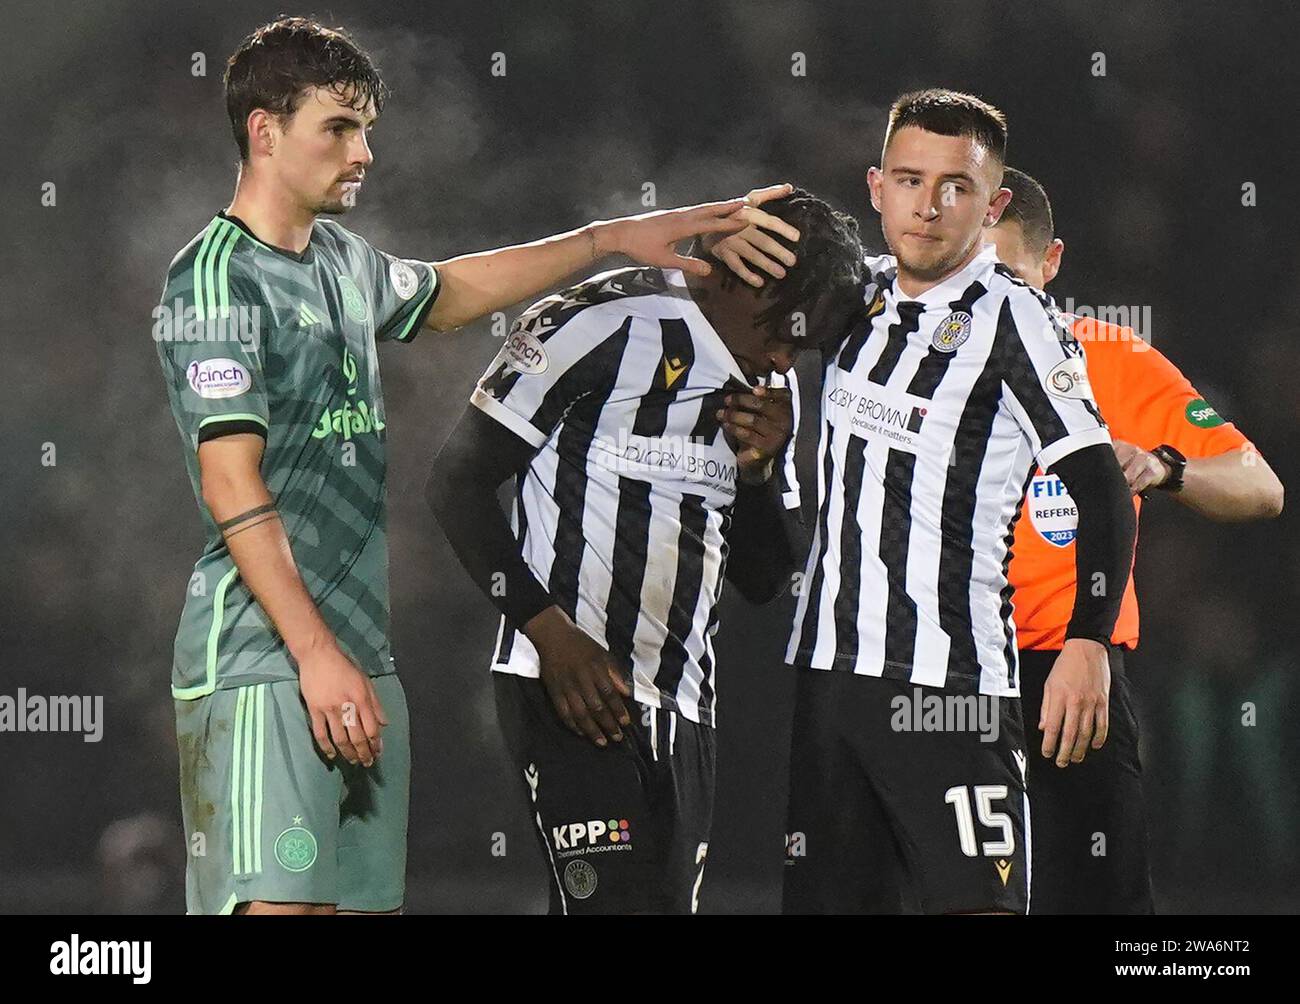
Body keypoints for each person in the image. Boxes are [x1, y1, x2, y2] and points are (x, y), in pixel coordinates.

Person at [156, 15, 781, 915]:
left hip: (357, 656)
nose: (364, 151)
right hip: (264, 659)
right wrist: (313, 653)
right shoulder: (215, 282)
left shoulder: (339, 261)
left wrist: (609, 238)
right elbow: (230, 483)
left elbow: (447, 294)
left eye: (367, 128)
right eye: (338, 127)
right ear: (264, 131)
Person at [714, 88, 1138, 914]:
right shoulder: (845, 298)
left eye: (957, 186)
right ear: (876, 187)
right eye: (910, 180)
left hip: (949, 689)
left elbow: (1101, 493)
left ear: (994, 204)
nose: (929, 205)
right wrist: (757, 464)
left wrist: (1087, 643)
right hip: (828, 677)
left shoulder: (1018, 321)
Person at [428, 189, 866, 913]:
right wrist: (549, 632)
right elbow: (456, 484)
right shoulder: (599, 322)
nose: (790, 352)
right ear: (735, 273)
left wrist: (761, 471)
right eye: (788, 326)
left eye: (807, 341)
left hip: (686, 704)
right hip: (569, 680)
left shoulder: (769, 382)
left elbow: (764, 578)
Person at [987, 166, 1283, 913]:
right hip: (935, 668)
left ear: (1050, 265)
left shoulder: (1108, 358)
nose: (986, 302)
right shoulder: (909, 362)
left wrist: (1165, 466)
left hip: (1069, 674)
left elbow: (1260, 485)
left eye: (1005, 276)